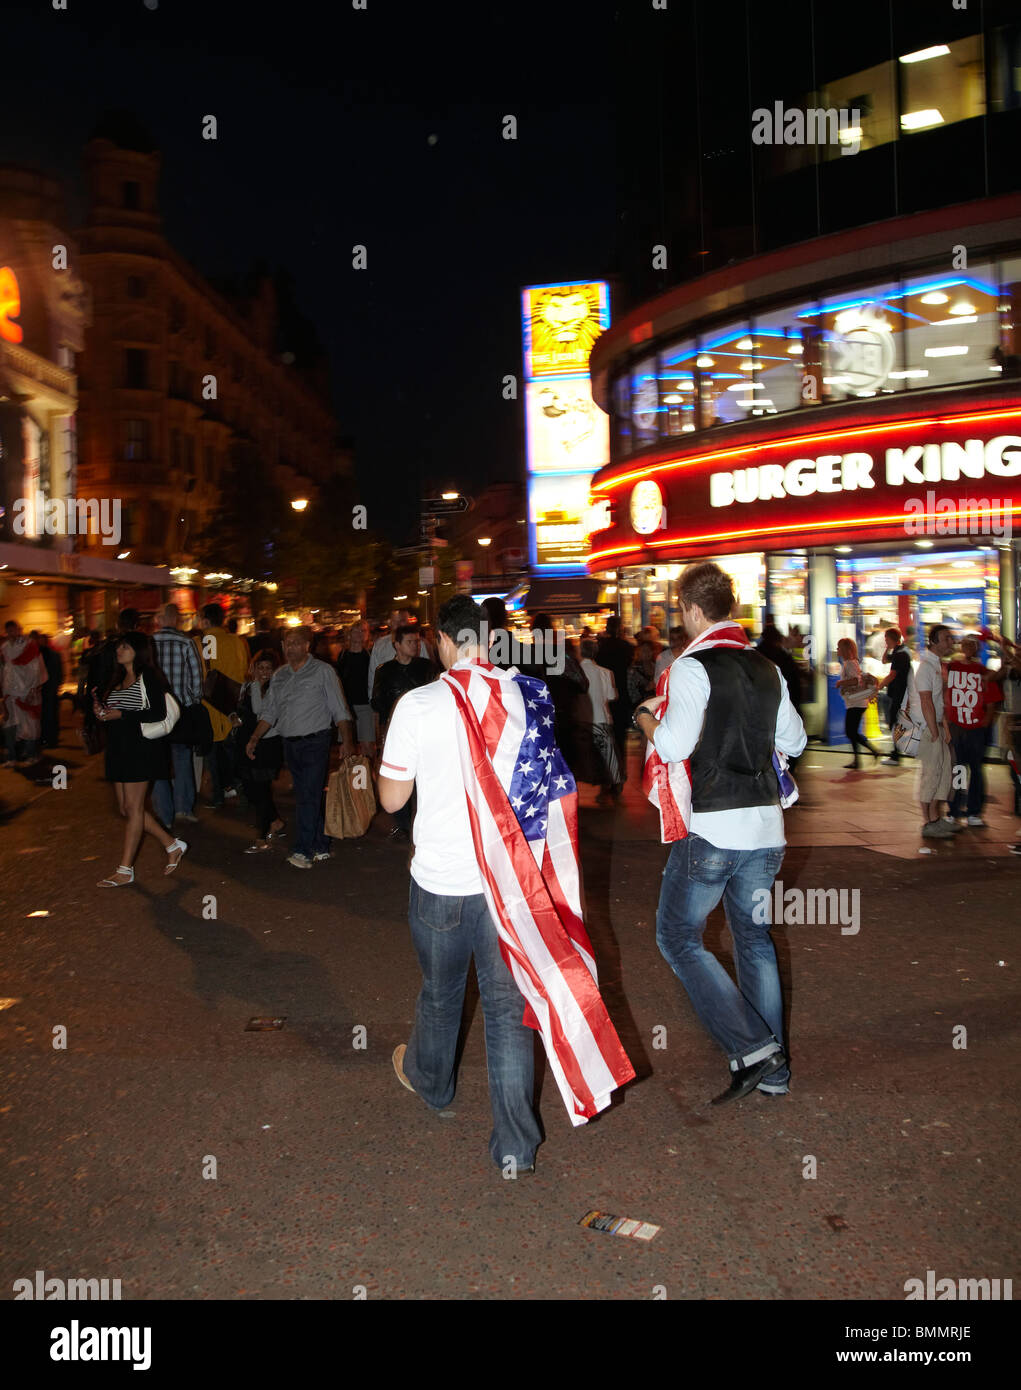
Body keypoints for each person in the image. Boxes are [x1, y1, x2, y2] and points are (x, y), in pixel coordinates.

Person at [379, 596, 633, 1171]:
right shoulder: (526, 700)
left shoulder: (417, 704)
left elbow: (392, 798)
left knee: (441, 995)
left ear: (443, 641)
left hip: (440, 883)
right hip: (508, 889)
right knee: (504, 1009)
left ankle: (432, 1084)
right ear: (489, 642)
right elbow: (548, 795)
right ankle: (516, 1145)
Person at [634, 561, 806, 1104]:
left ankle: (756, 1047)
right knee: (754, 939)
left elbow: (674, 745)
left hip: (712, 827)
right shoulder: (765, 668)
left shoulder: (692, 667)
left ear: (690, 608)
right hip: (765, 827)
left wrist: (644, 717)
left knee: (678, 937)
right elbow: (796, 741)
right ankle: (773, 1072)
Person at [245, 626, 355, 868]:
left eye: (296, 642)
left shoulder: (323, 671)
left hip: (316, 741)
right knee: (307, 794)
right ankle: (320, 843)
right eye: (286, 643)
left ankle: (302, 850)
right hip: (290, 743)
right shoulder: (280, 675)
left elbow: (340, 709)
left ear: (308, 645)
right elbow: (269, 711)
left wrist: (346, 741)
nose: (290, 647)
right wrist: (254, 738)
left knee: (309, 794)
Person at [93, 632, 186, 886]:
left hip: (141, 749)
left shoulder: (150, 677)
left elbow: (156, 712)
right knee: (126, 808)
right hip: (118, 750)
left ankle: (125, 870)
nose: (119, 650)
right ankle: (172, 844)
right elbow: (116, 714)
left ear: (138, 650)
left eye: (125, 646)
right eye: (119, 646)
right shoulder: (117, 678)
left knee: (134, 809)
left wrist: (121, 715)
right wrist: (102, 713)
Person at [371, 624, 435, 839]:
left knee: (423, 780)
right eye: (410, 641)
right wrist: (379, 739)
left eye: (417, 641)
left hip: (425, 731)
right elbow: (378, 707)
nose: (415, 646)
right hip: (396, 732)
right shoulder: (384, 671)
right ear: (396, 645)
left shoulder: (427, 667)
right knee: (398, 776)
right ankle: (404, 824)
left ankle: (418, 824)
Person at [151, 603, 204, 828]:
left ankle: (165, 814)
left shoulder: (148, 643)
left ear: (160, 619)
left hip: (154, 712)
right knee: (182, 759)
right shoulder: (186, 642)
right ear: (176, 619)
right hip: (180, 711)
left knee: (158, 762)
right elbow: (197, 680)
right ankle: (184, 808)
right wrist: (190, 701)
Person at [198, 603, 250, 807]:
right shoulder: (236, 641)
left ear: (206, 620)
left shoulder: (199, 642)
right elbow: (244, 670)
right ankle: (241, 789)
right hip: (230, 704)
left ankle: (218, 795)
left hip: (208, 705)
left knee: (212, 755)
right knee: (233, 751)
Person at [233, 649, 285, 853]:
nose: (264, 672)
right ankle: (275, 821)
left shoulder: (274, 687)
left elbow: (258, 710)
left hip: (266, 743)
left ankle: (262, 836)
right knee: (250, 788)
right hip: (247, 741)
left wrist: (256, 683)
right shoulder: (246, 686)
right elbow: (241, 709)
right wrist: (234, 718)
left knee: (261, 790)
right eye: (260, 667)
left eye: (268, 668)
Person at [909, 623, 957, 839]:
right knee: (931, 774)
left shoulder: (937, 665)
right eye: (946, 638)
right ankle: (928, 822)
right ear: (934, 642)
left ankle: (935, 818)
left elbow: (938, 702)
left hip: (936, 725)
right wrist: (934, 731)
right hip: (928, 729)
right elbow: (926, 701)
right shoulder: (926, 667)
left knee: (944, 773)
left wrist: (944, 726)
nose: (951, 642)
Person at [945, 635, 996, 826]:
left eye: (971, 644)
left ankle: (974, 811)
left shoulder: (982, 671)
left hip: (975, 729)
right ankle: (955, 809)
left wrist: (984, 724)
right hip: (958, 727)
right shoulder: (952, 667)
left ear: (977, 649)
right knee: (958, 770)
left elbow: (991, 701)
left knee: (975, 770)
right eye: (964, 643)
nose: (966, 647)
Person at [577, 637, 623, 805]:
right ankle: (609, 788)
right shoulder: (605, 672)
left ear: (580, 652)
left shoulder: (575, 672)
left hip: (581, 720)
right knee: (607, 756)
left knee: (583, 757)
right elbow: (611, 696)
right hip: (602, 718)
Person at [1, 621, 48, 767]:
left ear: (18, 630)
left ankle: (32, 755)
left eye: (13, 630)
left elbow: (36, 669)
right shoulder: (4, 648)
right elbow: (4, 669)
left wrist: (33, 689)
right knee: (9, 725)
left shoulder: (28, 645)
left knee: (30, 725)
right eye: (8, 631)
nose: (11, 633)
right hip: (10, 692)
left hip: (26, 691)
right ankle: (12, 757)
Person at [596, 615, 635, 770]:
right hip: (621, 691)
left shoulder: (601, 647)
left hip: (604, 694)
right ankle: (620, 771)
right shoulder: (627, 647)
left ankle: (608, 772)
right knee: (620, 737)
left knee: (605, 736)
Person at [835, 637, 880, 769]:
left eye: (839, 647)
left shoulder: (849, 663)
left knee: (851, 732)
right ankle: (858, 759)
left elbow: (856, 681)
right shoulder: (850, 662)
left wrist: (840, 683)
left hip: (857, 702)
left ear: (844, 649)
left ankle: (873, 752)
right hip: (856, 703)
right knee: (851, 731)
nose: (837, 650)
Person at [336, 621, 373, 754]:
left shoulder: (370, 656)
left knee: (367, 746)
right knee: (348, 747)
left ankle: (368, 774)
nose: (359, 634)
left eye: (363, 631)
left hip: (365, 705)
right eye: (356, 631)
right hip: (346, 707)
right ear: (349, 634)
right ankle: (349, 774)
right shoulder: (342, 656)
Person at [878, 628, 911, 765]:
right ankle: (896, 752)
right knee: (894, 722)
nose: (885, 641)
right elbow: (884, 660)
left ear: (891, 639)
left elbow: (892, 675)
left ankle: (896, 754)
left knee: (894, 722)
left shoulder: (900, 654)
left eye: (886, 639)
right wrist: (887, 648)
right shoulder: (900, 651)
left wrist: (878, 686)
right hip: (898, 692)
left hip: (899, 693)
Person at [367, 608, 411, 697]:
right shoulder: (380, 645)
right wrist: (373, 700)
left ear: (408, 622)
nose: (399, 625)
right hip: (388, 699)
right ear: (390, 623)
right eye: (395, 621)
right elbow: (373, 675)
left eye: (402, 621)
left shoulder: (419, 644)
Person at [34, 632, 64, 749]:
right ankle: (49, 738)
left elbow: (58, 672)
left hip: (49, 689)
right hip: (47, 689)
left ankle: (50, 739)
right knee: (48, 715)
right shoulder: (46, 654)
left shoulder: (47, 655)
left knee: (49, 715)